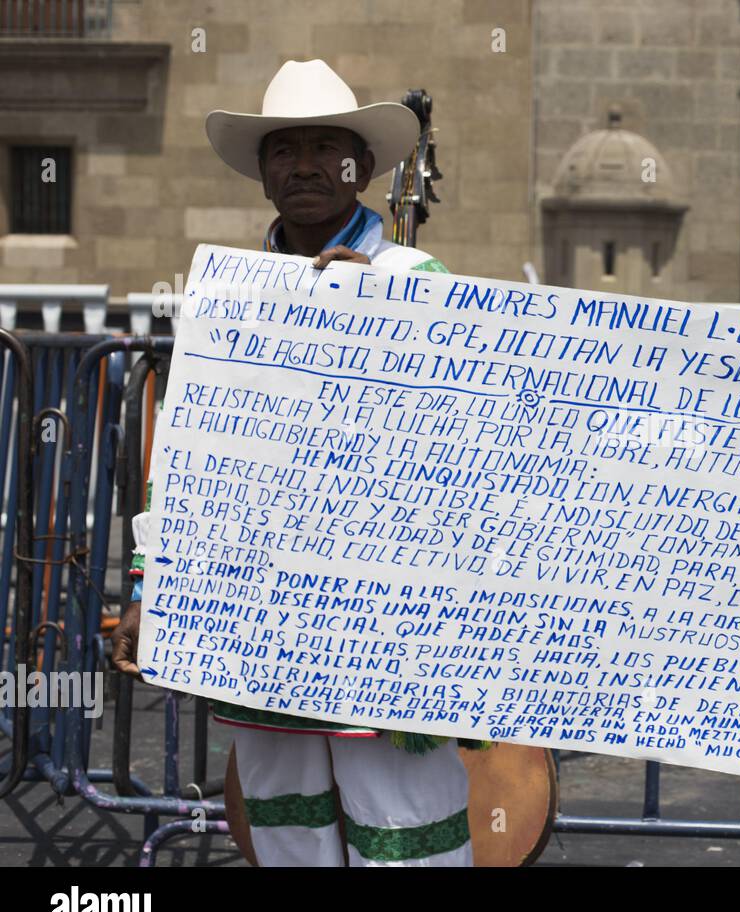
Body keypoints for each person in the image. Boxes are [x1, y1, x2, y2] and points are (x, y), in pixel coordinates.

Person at [110, 59, 484, 867]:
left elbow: (471, 432)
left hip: (383, 620)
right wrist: (150, 586)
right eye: (285, 149)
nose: (305, 165)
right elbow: (182, 458)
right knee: (284, 819)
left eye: (326, 147)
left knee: (404, 821)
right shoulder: (228, 298)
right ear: (263, 172)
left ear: (362, 167)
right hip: (261, 617)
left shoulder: (414, 281)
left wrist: (385, 328)